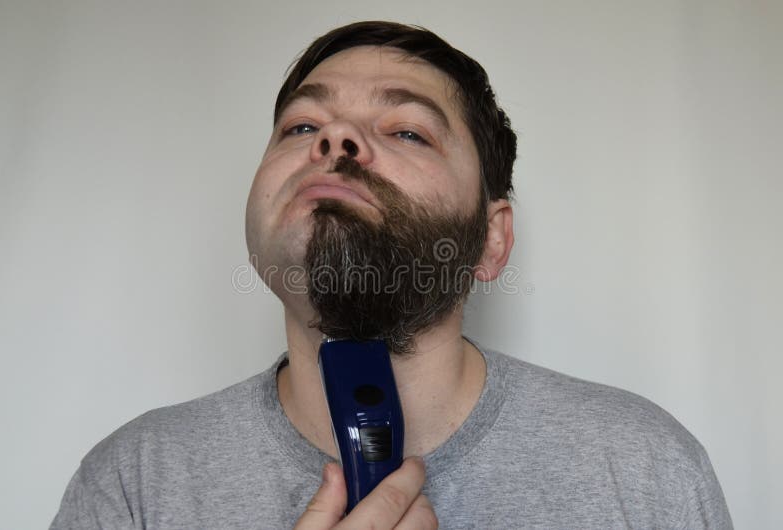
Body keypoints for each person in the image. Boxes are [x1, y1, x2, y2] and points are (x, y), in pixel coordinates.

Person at [51, 21, 732, 529]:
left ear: (492, 239)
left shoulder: (644, 470)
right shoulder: (133, 483)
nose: (335, 140)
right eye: (300, 126)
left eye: (407, 131)